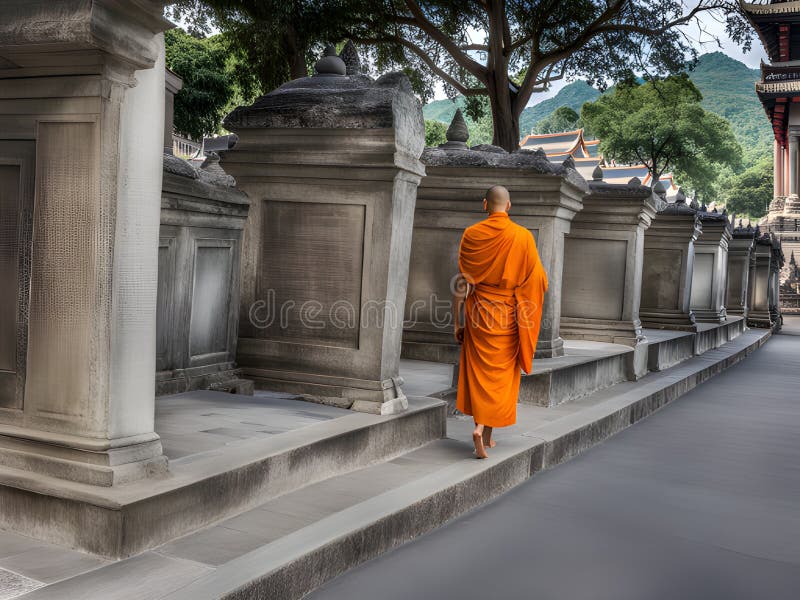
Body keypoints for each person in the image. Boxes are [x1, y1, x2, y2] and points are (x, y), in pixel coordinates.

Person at [452, 185, 548, 458]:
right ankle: (485, 431)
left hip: (478, 315)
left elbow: (462, 284)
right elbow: (539, 281)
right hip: (507, 317)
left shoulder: (471, 235)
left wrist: (457, 322)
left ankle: (482, 430)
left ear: (485, 205)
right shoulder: (523, 237)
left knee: (480, 376)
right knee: (501, 378)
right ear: (509, 206)